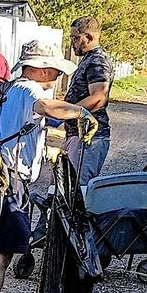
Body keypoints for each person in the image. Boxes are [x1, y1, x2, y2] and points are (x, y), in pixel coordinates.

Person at [0, 41, 98, 293]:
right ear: (41, 68)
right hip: (5, 181)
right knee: (1, 254)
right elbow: (48, 108)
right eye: (54, 69)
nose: (57, 75)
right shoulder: (30, 90)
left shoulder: (9, 88)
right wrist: (81, 113)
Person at [63, 16, 115, 190]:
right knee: (68, 189)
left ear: (89, 37)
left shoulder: (97, 60)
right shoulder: (89, 58)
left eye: (75, 38)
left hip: (89, 137)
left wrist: (64, 112)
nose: (72, 43)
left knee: (80, 191)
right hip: (78, 135)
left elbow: (99, 98)